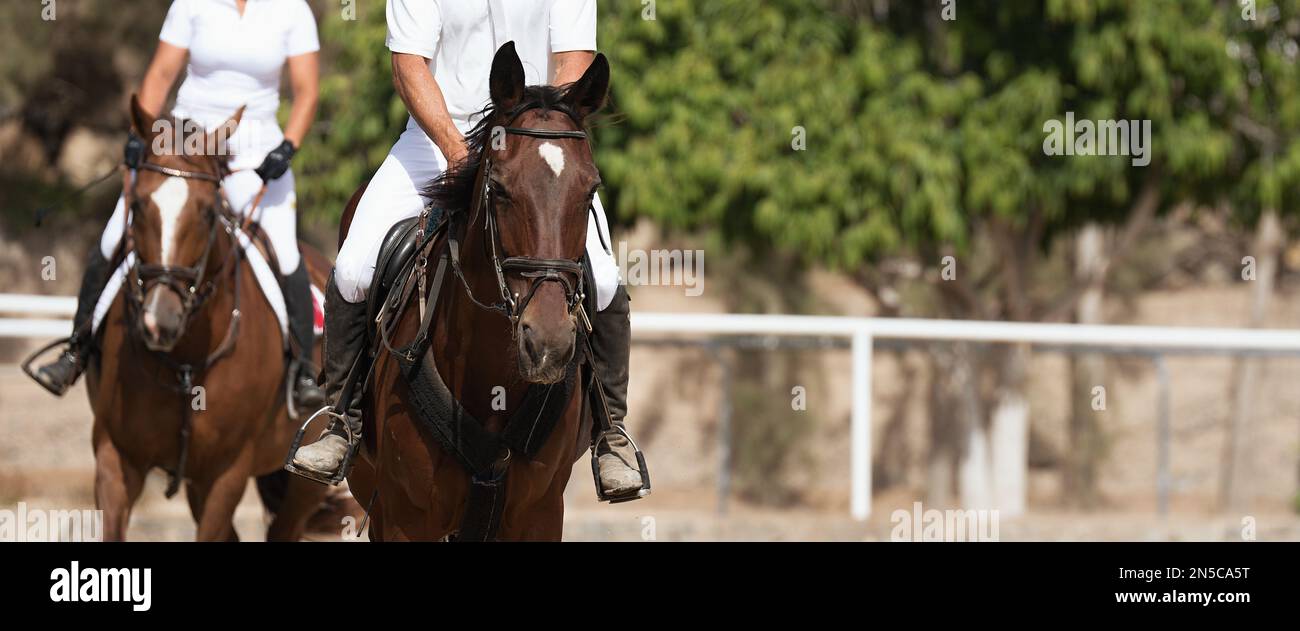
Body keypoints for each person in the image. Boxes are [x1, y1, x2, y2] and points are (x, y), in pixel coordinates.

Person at [288, 0, 645, 499]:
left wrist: (539, 131)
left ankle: (611, 432)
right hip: (437, 136)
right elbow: (409, 65)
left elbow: (576, 60)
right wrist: (460, 152)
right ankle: (341, 420)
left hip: (534, 138)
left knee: (604, 278)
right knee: (352, 266)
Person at [31, 0, 325, 410]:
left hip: (253, 148)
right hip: (181, 141)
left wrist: (288, 147)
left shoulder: (292, 10)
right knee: (116, 232)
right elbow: (161, 74)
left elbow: (307, 92)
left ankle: (302, 373)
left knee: (285, 252)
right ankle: (75, 351)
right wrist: (142, 134)